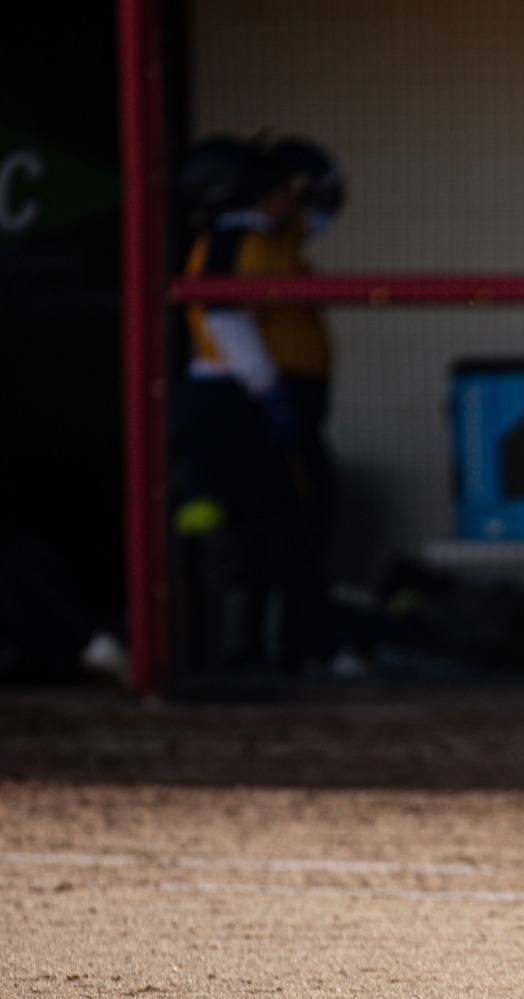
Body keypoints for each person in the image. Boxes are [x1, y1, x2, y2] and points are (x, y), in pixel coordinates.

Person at [175, 134, 345, 671]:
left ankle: (283, 652)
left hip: (268, 399)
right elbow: (221, 314)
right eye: (274, 190)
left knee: (291, 523)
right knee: (251, 536)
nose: (288, 200)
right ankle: (256, 657)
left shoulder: (273, 241)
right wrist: (267, 389)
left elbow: (315, 211)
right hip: (240, 400)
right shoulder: (230, 237)